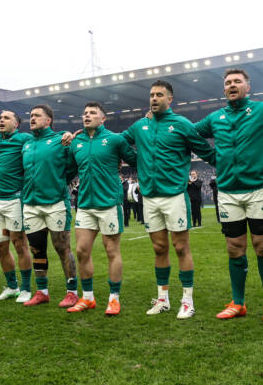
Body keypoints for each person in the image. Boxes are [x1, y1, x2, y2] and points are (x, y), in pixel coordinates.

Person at [64, 80, 214, 319]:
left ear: (170, 99)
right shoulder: (139, 126)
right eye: (152, 95)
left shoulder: (183, 124)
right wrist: (85, 134)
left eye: (159, 95)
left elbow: (206, 152)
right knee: (159, 247)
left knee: (181, 247)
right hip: (150, 197)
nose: (154, 98)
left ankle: (187, 300)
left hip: (175, 195)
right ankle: (163, 299)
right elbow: (115, 140)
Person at [194, 69, 263, 322]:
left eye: (237, 81)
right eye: (228, 83)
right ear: (224, 89)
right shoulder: (215, 117)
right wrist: (213, 157)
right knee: (234, 248)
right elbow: (189, 133)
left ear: (248, 86)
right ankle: (238, 302)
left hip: (257, 190)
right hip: (228, 192)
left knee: (262, 246)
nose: (232, 85)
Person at [67, 102, 137, 315]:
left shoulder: (115, 139)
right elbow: (69, 170)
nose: (87, 115)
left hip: (109, 203)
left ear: (103, 118)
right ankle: (88, 298)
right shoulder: (76, 141)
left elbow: (135, 160)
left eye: (92, 113)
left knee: (111, 250)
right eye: (85, 112)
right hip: (85, 204)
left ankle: (114, 298)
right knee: (81, 251)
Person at [20, 104, 79, 308]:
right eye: (30, 115)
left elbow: (71, 167)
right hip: (31, 204)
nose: (32, 118)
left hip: (55, 203)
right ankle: (42, 292)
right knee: (37, 249)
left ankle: (72, 292)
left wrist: (58, 184)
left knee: (62, 248)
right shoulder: (26, 144)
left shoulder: (60, 140)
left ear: (48, 120)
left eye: (37, 115)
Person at [0, 110, 34, 303]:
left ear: (16, 124)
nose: (1, 120)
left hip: (15, 199)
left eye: (6, 118)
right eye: (0, 118)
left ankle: (25, 288)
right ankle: (12, 286)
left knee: (19, 244)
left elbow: (41, 139)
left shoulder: (24, 138)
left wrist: (65, 135)